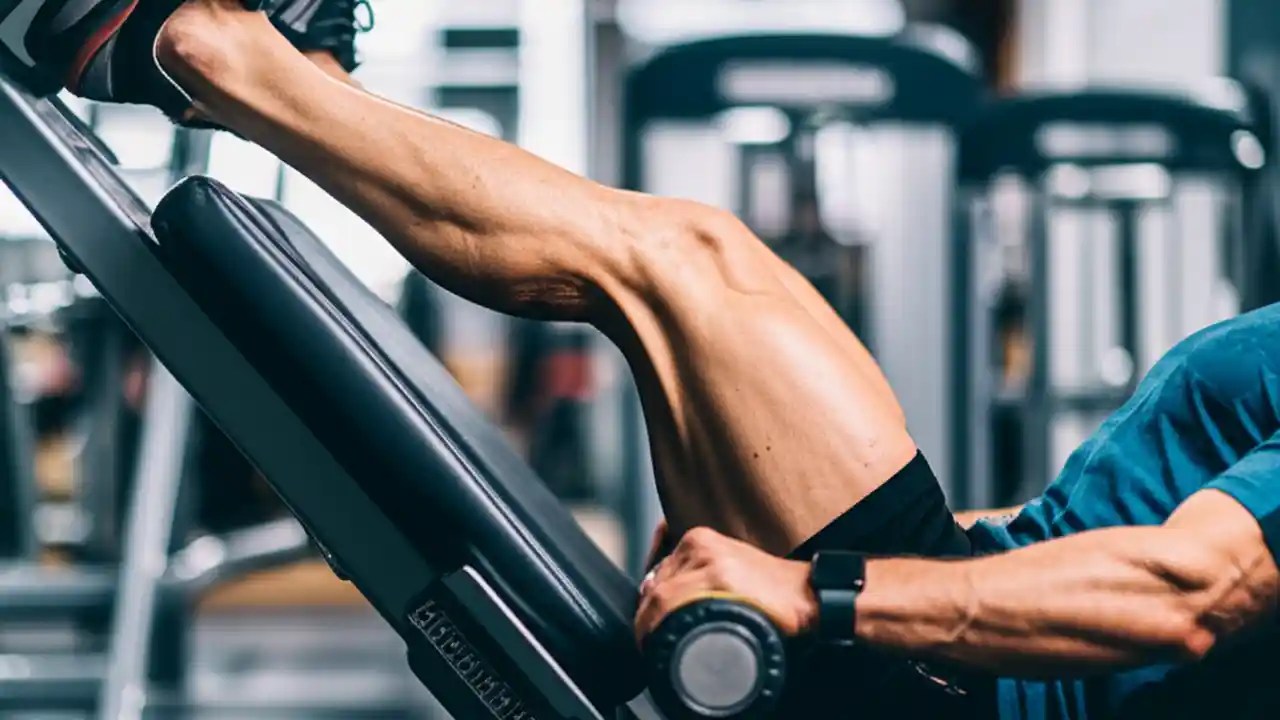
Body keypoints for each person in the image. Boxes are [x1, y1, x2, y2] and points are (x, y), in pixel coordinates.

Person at [13, 1, 1280, 718]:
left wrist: (813, 596)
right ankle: (265, 67)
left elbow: (1188, 592)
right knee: (676, 264)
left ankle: (206, 53)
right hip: (951, 630)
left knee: (680, 264)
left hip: (946, 686)